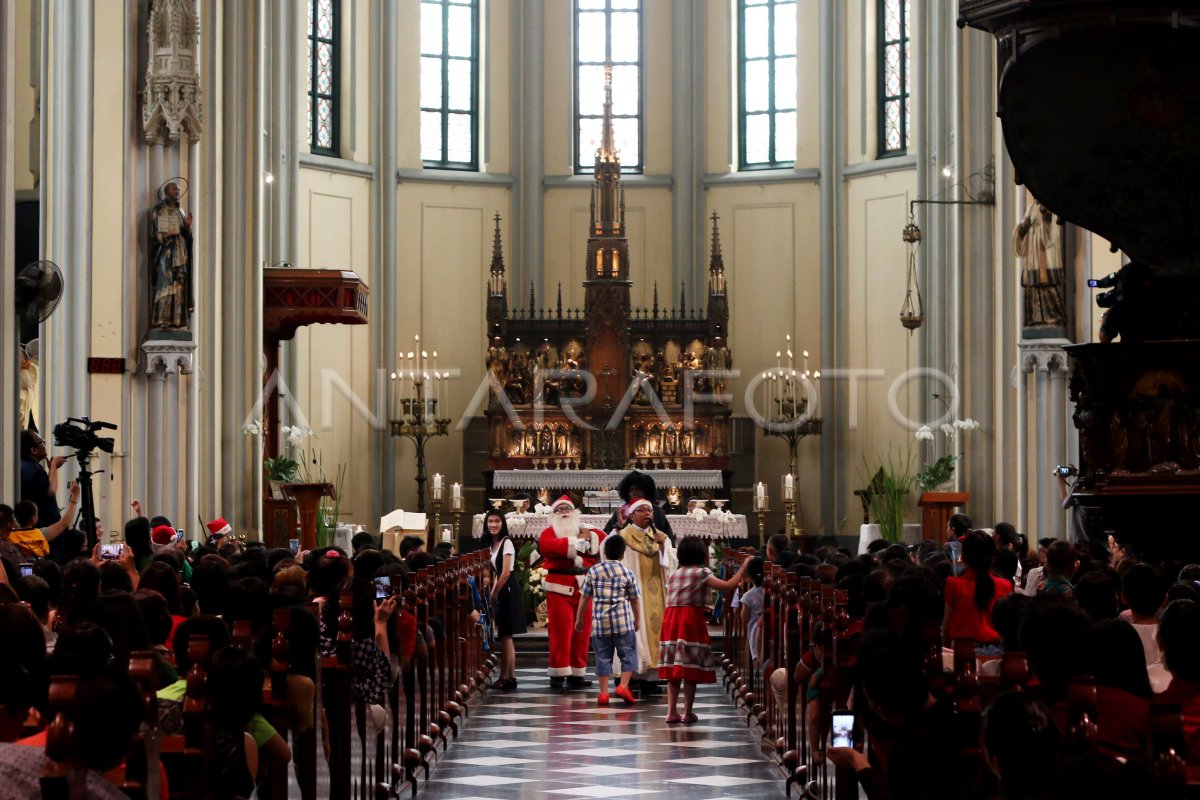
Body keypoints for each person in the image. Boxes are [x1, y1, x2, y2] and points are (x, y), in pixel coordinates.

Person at [658, 537, 748, 723]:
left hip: (671, 619)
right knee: (689, 667)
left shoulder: (674, 574)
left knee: (674, 668)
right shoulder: (701, 573)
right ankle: (687, 712)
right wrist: (744, 566)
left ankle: (671, 711)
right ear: (700, 554)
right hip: (689, 619)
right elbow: (727, 586)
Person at [537, 496, 604, 690]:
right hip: (559, 587)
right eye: (560, 509)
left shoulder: (586, 529)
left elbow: (602, 540)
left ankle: (577, 673)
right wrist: (581, 541)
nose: (564, 512)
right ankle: (558, 673)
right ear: (553, 514)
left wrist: (587, 538)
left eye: (568, 508)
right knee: (561, 631)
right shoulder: (548, 533)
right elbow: (551, 547)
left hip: (583, 587)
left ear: (575, 512)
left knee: (582, 632)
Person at [576, 534, 641, 706]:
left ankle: (604, 693)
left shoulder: (593, 571)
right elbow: (634, 599)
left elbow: (584, 596)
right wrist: (637, 620)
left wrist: (579, 619)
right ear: (623, 554)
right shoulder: (626, 572)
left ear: (604, 552)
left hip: (600, 624)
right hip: (622, 623)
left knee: (603, 657)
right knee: (628, 654)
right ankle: (623, 686)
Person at [619, 498, 676, 694]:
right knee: (636, 631)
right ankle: (632, 675)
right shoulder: (624, 536)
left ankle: (651, 677)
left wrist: (663, 547)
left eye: (649, 511)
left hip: (656, 590)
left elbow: (669, 565)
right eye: (642, 510)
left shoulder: (660, 536)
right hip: (634, 592)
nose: (647, 514)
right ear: (631, 515)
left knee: (656, 629)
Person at [484, 508, 525, 692]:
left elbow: (506, 572)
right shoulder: (492, 545)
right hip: (502, 590)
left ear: (503, 524)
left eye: (497, 521)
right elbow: (495, 572)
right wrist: (492, 593)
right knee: (505, 636)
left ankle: (506, 677)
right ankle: (509, 676)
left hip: (508, 590)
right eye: (490, 521)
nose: (493, 525)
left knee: (506, 635)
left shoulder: (506, 542)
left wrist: (493, 595)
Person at [1013, 196, 1068, 332]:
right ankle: (1034, 319)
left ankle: (1054, 319)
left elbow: (1051, 234)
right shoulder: (1030, 208)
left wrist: (1045, 213)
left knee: (1047, 286)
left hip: (1045, 256)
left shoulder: (1051, 206)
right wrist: (1024, 227)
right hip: (1032, 258)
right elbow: (1022, 235)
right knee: (1033, 287)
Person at [148, 179, 194, 329]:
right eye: (175, 189)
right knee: (164, 283)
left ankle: (176, 319)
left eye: (179, 190)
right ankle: (162, 319)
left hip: (179, 254)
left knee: (178, 285)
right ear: (167, 192)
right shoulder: (158, 210)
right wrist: (167, 235)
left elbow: (187, 236)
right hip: (165, 254)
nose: (177, 192)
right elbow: (153, 234)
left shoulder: (180, 211)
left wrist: (187, 227)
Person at [9, 481, 80, 559]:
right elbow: (64, 523)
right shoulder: (40, 534)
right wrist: (74, 496)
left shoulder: (9, 536)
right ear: (33, 518)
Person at [603, 470, 675, 542]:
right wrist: (618, 527)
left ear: (646, 492)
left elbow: (669, 540)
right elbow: (605, 539)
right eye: (631, 490)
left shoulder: (657, 512)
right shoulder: (622, 511)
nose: (634, 493)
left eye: (638, 490)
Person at [19, 430, 66, 531]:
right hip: (45, 527)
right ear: (33, 450)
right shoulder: (34, 469)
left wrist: (52, 470)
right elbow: (50, 490)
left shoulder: (23, 466)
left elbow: (42, 488)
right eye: (42, 442)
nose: (45, 445)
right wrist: (54, 465)